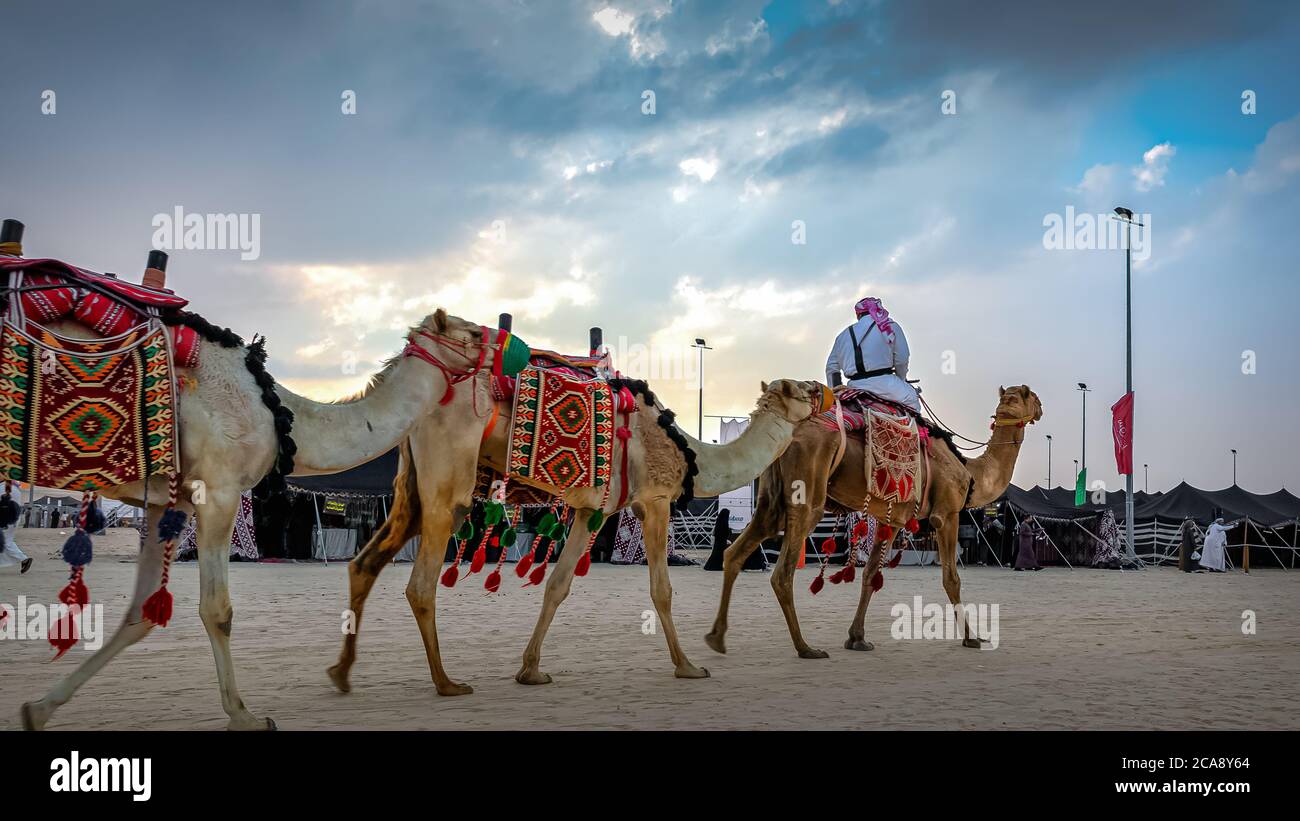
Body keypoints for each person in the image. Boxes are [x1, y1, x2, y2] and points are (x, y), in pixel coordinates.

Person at [824, 296, 920, 413]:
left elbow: (831, 367)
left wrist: (837, 391)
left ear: (858, 315)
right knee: (913, 399)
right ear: (879, 311)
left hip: (854, 386)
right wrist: (901, 379)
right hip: (887, 385)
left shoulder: (842, 336)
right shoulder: (890, 327)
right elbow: (902, 359)